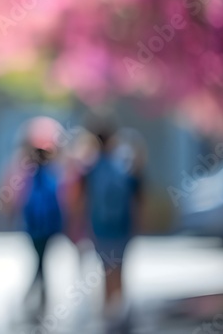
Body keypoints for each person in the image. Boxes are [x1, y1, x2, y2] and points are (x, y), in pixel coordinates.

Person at [82, 117, 143, 324]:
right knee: (120, 268)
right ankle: (119, 312)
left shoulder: (90, 167)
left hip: (100, 226)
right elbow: (136, 192)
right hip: (122, 225)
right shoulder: (123, 164)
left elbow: (82, 200)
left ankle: (108, 313)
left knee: (105, 269)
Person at [3, 116, 65, 317]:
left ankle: (33, 301)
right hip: (38, 226)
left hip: (41, 226)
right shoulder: (31, 171)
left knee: (40, 263)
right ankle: (37, 302)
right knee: (40, 263)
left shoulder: (44, 171)